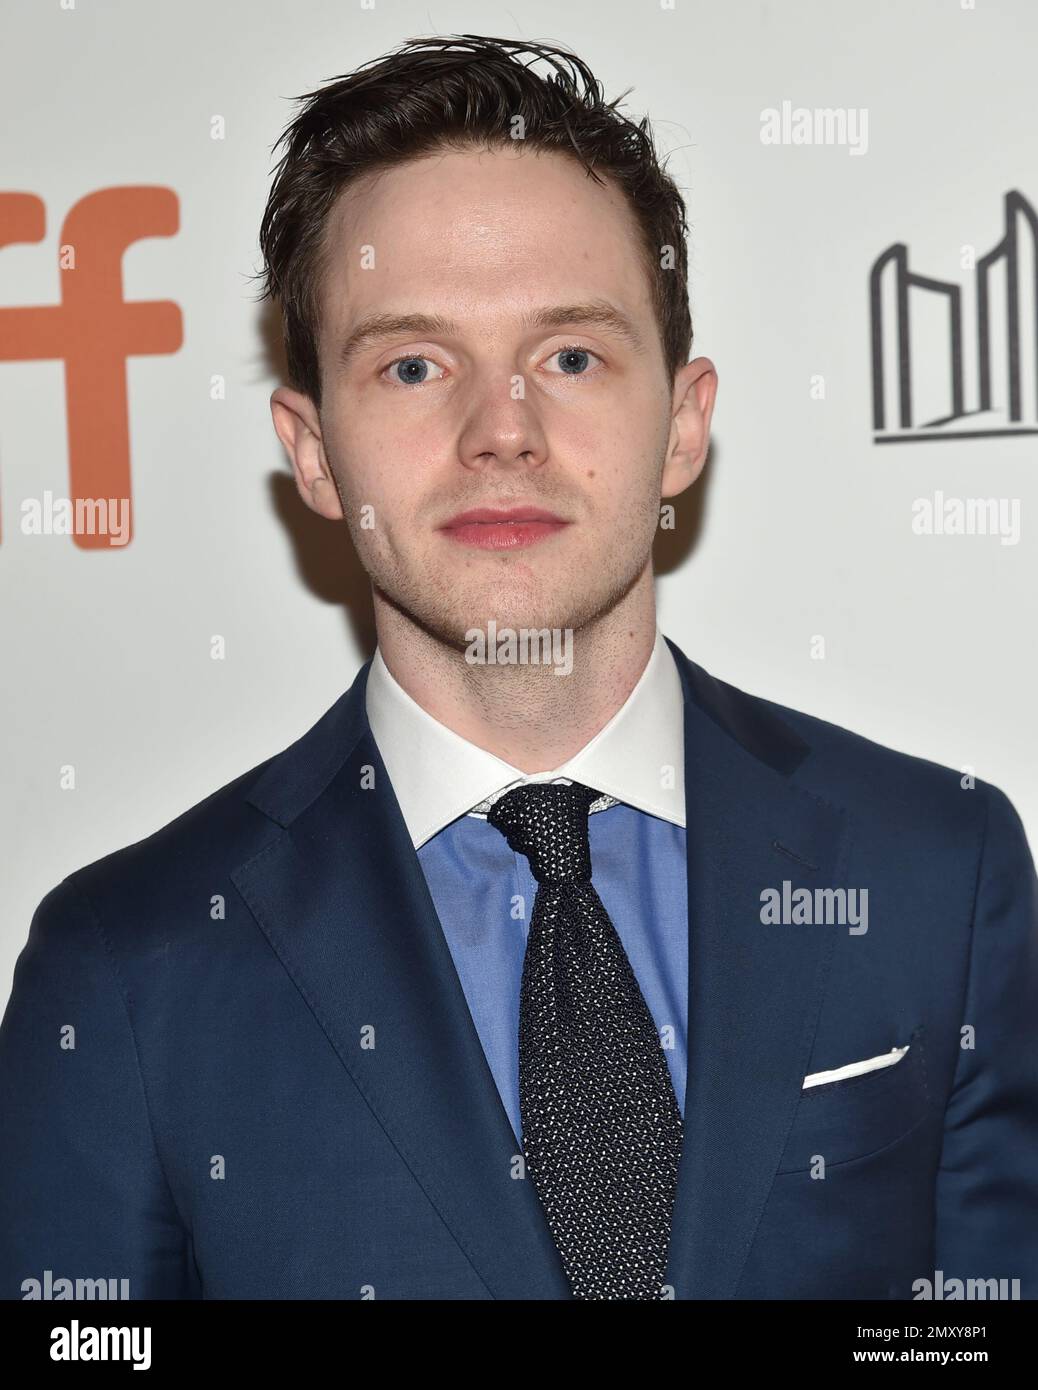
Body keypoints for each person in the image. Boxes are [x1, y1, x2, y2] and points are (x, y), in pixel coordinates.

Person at [2, 33, 1036, 1302]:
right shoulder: (127, 965)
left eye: (571, 357)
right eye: (415, 365)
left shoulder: (938, 867)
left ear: (684, 423)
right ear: (313, 451)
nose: (503, 432)